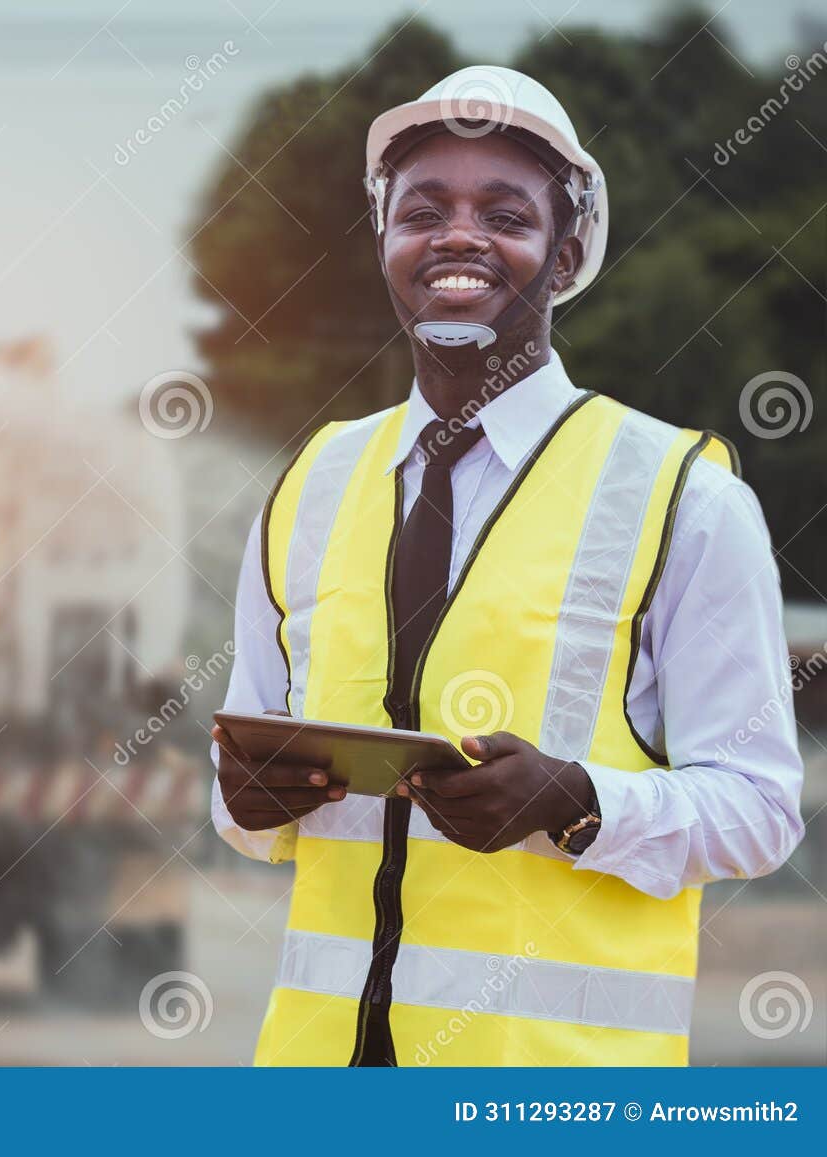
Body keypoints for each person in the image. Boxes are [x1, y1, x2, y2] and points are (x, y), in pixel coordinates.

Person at [210, 66, 804, 1067]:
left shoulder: (681, 498)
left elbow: (757, 808)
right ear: (385, 241)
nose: (457, 236)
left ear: (566, 252)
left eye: (504, 212)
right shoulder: (309, 486)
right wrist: (246, 800)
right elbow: (237, 797)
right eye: (422, 210)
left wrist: (578, 802)